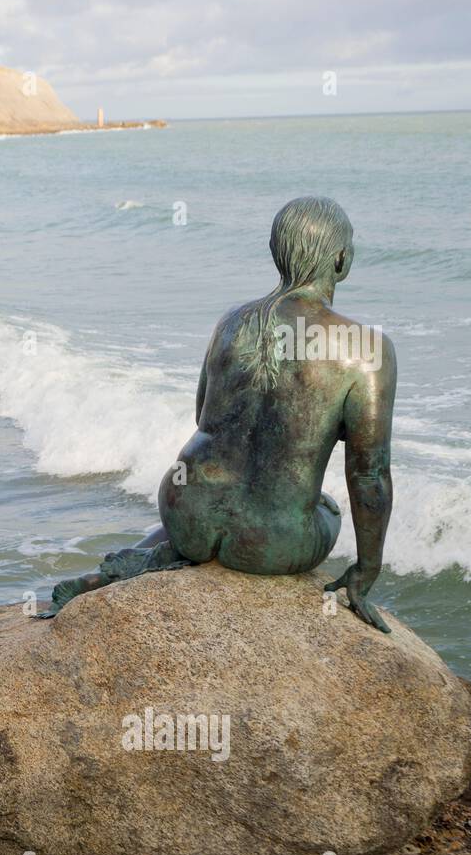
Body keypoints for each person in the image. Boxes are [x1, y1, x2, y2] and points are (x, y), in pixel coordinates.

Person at [39, 196, 396, 632]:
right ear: (341, 259)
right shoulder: (366, 349)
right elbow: (369, 472)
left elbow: (204, 416)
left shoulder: (231, 322)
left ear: (274, 251)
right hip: (274, 543)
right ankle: (169, 554)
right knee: (328, 508)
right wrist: (366, 570)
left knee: (214, 501)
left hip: (183, 504)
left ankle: (127, 565)